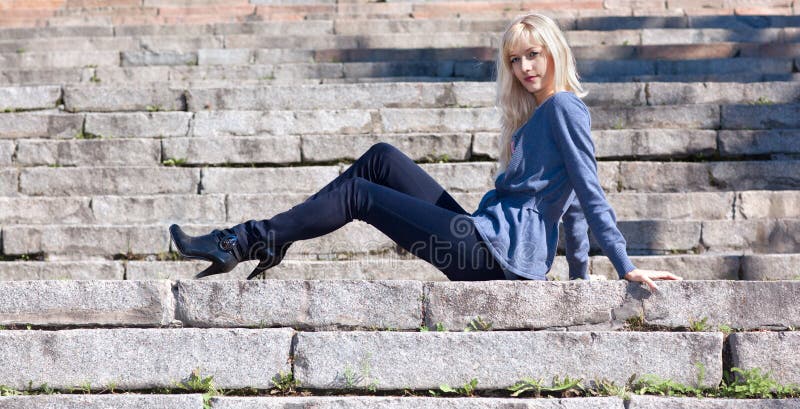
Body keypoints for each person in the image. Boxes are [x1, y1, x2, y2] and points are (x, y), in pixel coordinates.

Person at [170, 12, 681, 290]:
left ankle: (243, 242)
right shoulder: (536, 119)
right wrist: (577, 279)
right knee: (381, 158)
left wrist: (617, 264)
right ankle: (270, 240)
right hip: (482, 242)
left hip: (491, 256)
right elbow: (566, 204)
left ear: (554, 53)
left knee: (358, 194)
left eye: (534, 54)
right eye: (515, 59)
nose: (525, 66)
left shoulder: (565, 108)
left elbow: (587, 192)